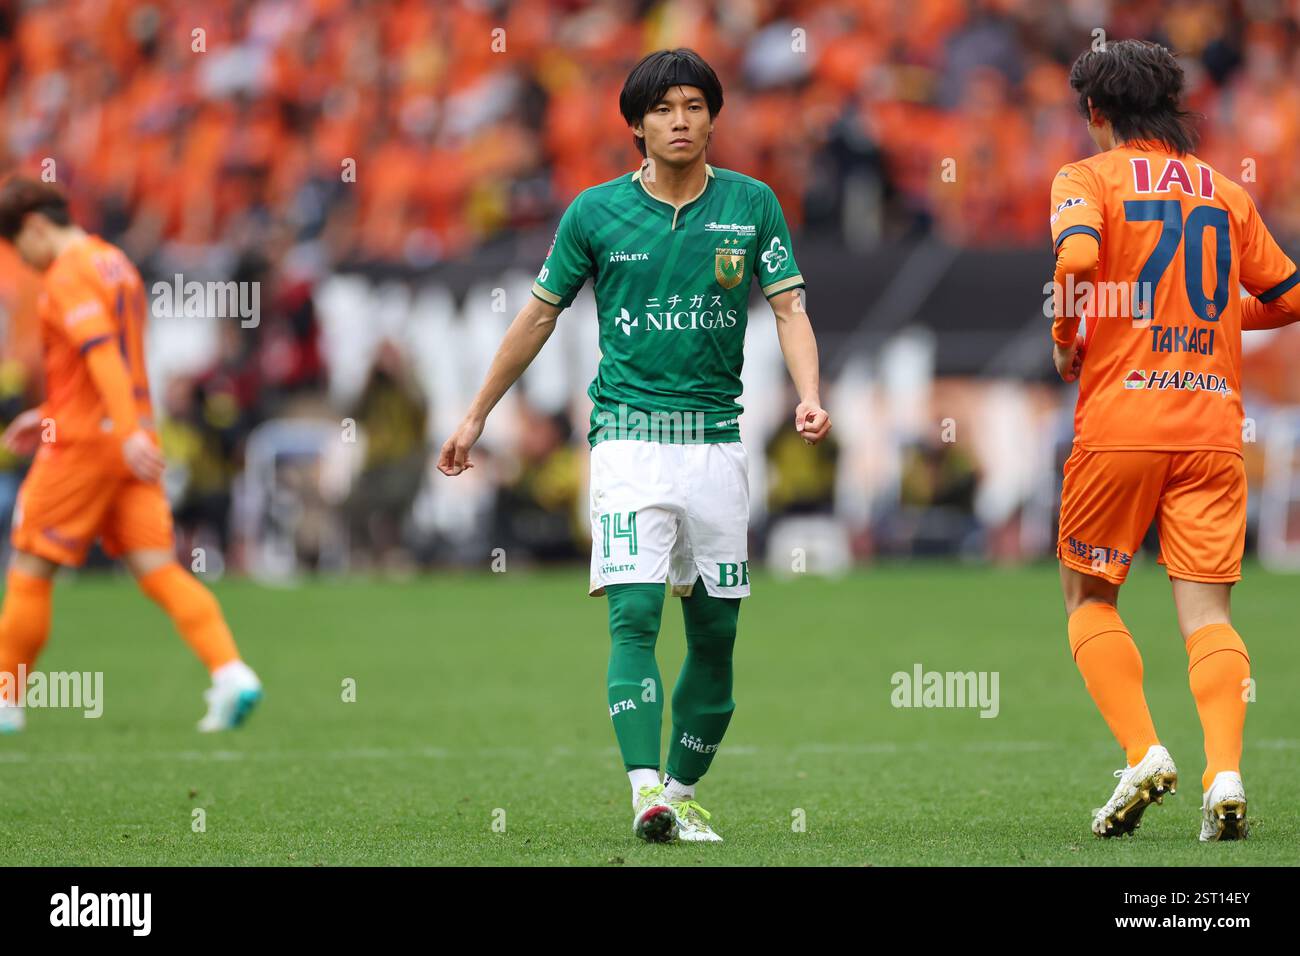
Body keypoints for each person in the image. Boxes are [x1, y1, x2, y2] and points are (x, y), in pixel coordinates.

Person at [439, 49, 831, 843]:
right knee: (637, 615)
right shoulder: (593, 213)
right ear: (636, 126)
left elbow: (788, 310)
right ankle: (645, 790)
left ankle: (682, 792)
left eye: (693, 105)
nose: (680, 120)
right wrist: (478, 412)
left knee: (717, 637)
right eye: (663, 109)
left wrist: (811, 395)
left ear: (713, 117)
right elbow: (539, 316)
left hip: (716, 445)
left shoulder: (753, 205)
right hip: (628, 443)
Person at [1049, 40, 1299, 841]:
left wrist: (1067, 333)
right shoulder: (1224, 192)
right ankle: (1223, 771)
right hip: (1212, 426)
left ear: (1096, 112)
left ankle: (1143, 750)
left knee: (1090, 597)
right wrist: (1219, 315)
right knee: (1208, 617)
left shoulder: (1087, 177)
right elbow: (1289, 298)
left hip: (1122, 423)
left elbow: (1081, 255)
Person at [0, 177, 262, 734]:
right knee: (157, 567)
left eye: (17, 246)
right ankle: (230, 670)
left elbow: (101, 356)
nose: (22, 260)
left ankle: (4, 699)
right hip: (133, 436)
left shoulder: (67, 273)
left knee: (29, 566)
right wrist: (57, 411)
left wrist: (114, 431)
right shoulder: (115, 262)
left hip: (89, 445)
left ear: (36, 227)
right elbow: (108, 366)